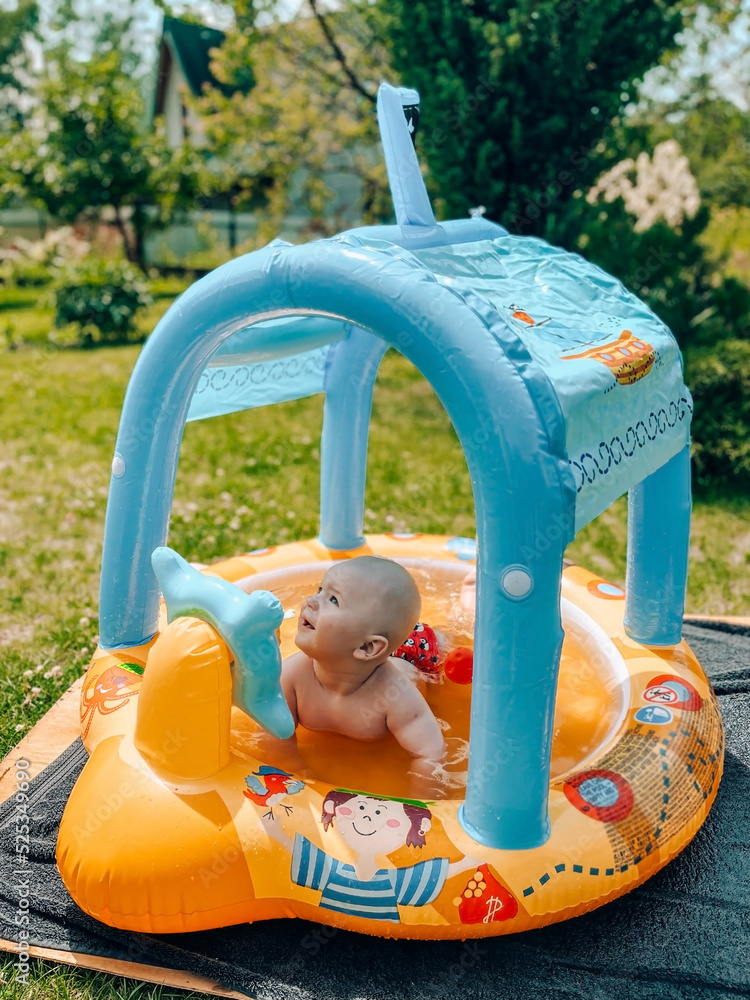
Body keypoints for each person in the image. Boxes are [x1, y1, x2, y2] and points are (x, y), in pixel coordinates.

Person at [281, 556, 446, 770]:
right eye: (320, 590)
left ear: (367, 647)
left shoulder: (395, 695)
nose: (311, 601)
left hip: (414, 654)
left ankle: (469, 597)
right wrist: (296, 769)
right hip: (382, 644)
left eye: (333, 599)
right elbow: (273, 733)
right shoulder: (291, 676)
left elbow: (431, 756)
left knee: (444, 643)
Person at [259, 789, 479, 923]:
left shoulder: (389, 880)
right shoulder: (338, 869)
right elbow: (301, 853)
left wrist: (470, 861)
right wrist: (275, 832)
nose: (367, 819)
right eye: (360, 809)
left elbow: (431, 875)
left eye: (381, 815)